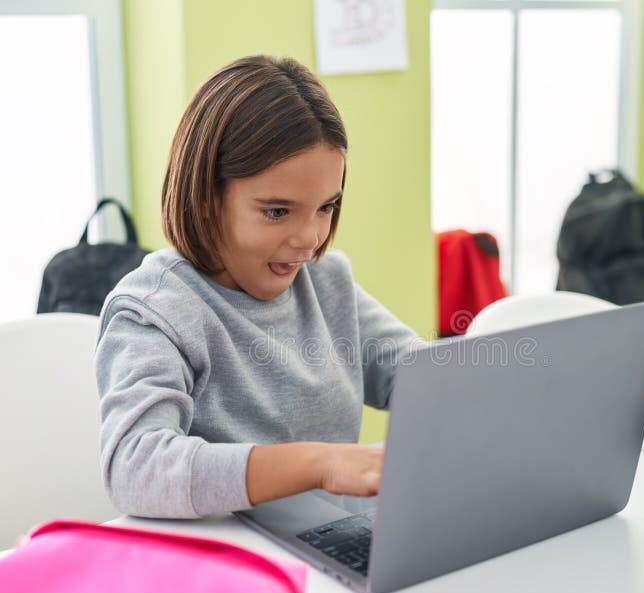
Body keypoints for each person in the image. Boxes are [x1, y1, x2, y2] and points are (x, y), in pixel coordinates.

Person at [94, 55, 419, 519]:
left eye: (326, 207)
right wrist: (320, 464)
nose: (310, 239)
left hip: (331, 545)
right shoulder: (154, 310)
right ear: (206, 198)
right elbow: (136, 468)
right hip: (228, 567)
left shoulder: (325, 281)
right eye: (277, 211)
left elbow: (416, 373)